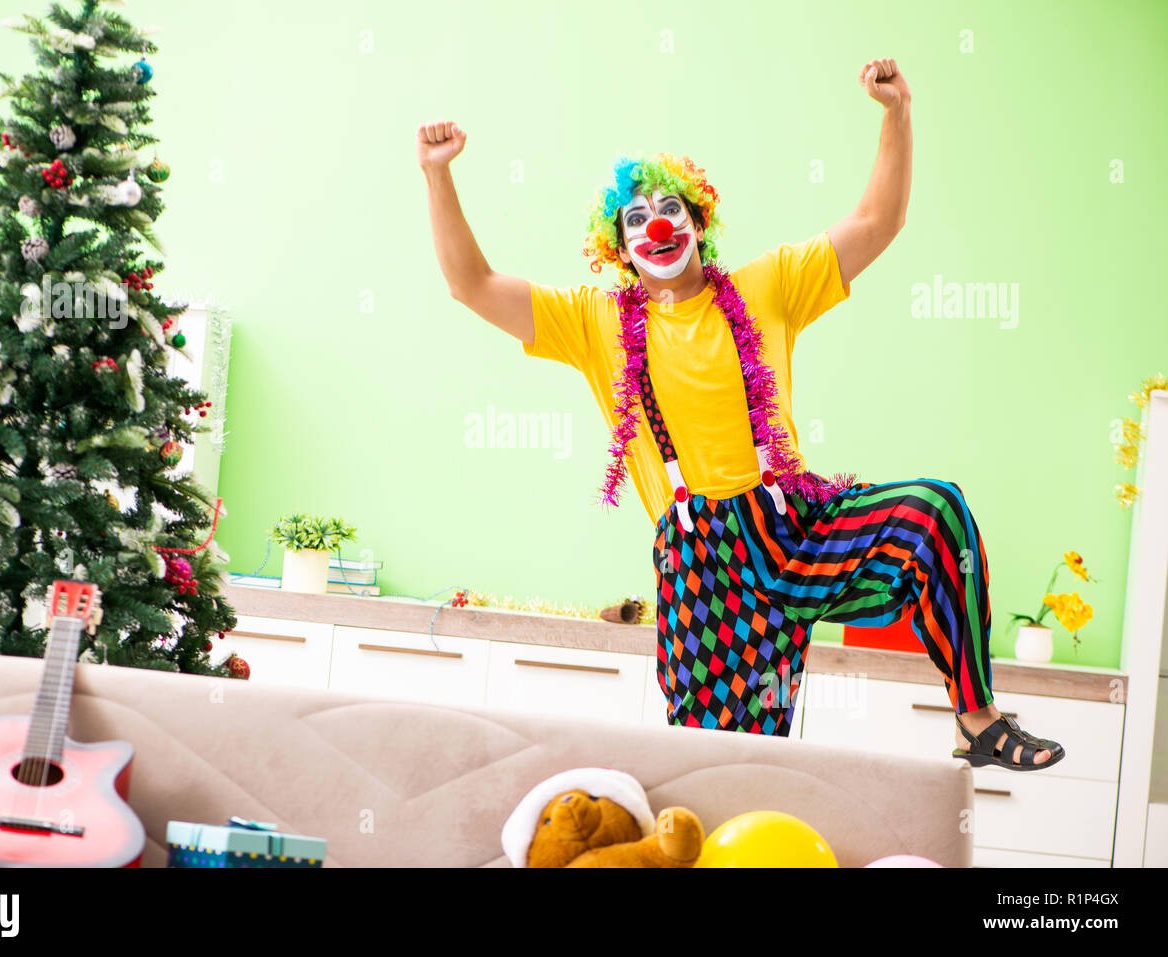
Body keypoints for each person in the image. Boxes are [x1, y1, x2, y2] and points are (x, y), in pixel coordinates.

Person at [417, 58, 1063, 771]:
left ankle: (977, 720)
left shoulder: (770, 285)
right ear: (620, 246)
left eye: (671, 210)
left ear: (699, 222)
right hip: (701, 571)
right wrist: (438, 174)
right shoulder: (595, 322)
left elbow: (880, 221)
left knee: (935, 512)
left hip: (795, 526)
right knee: (725, 766)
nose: (656, 225)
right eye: (637, 218)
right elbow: (469, 284)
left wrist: (896, 113)